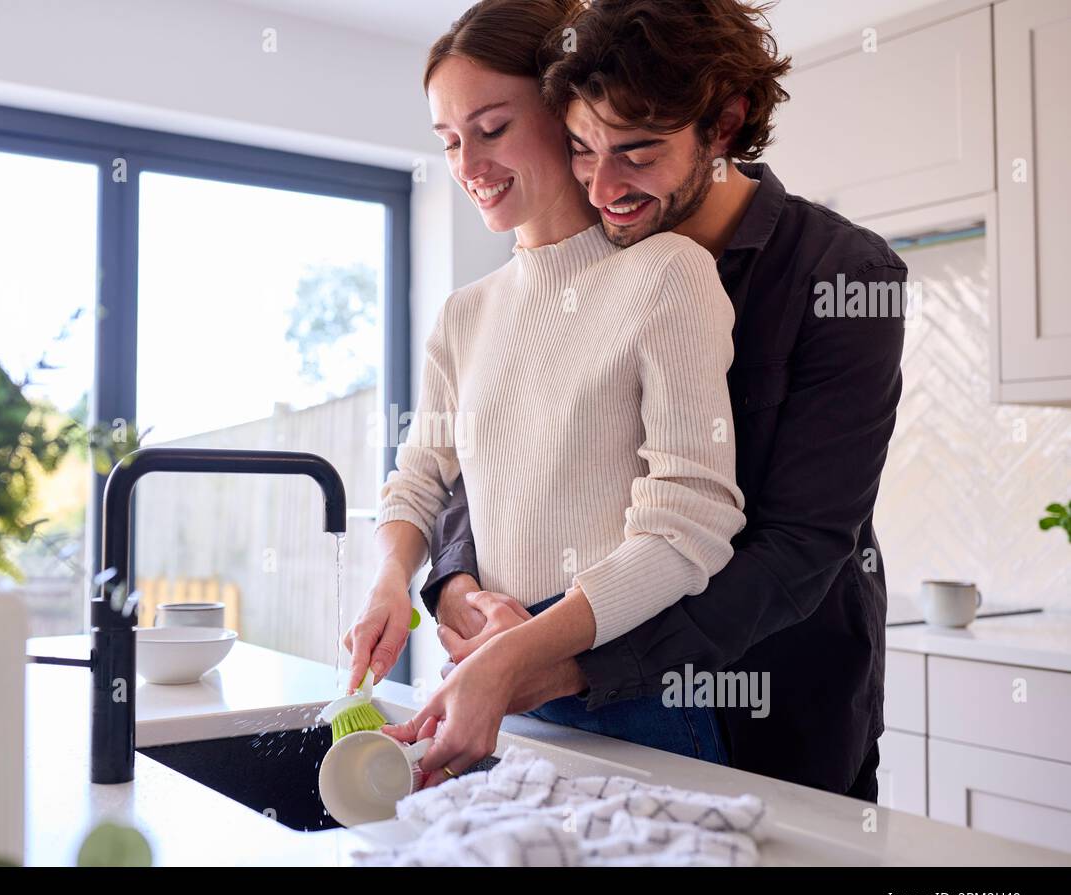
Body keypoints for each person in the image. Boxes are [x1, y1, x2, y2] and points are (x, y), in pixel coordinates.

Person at [390, 0, 907, 800]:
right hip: (557, 679)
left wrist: (558, 662)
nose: (603, 187)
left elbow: (798, 546)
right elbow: (509, 453)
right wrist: (455, 586)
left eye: (637, 153)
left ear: (725, 125)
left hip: (772, 701)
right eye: (581, 149)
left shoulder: (839, 276)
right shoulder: (563, 280)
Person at [344, 0, 748, 775]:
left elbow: (691, 521)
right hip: (491, 681)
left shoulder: (668, 275)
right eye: (450, 141)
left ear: (564, 110)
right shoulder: (465, 314)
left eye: (492, 129)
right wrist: (390, 582)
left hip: (630, 695)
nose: (467, 166)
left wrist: (522, 648)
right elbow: (419, 479)